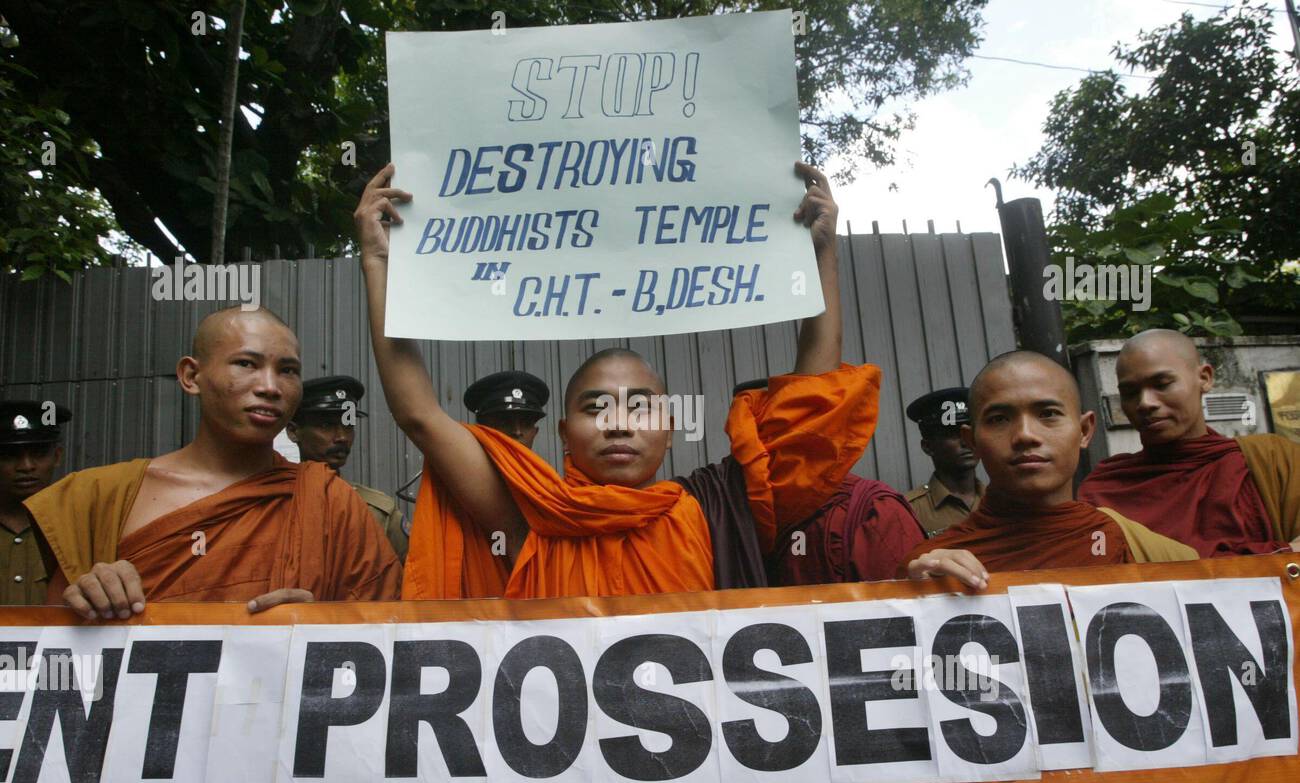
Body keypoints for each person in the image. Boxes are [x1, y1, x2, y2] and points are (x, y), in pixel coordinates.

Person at [355, 161, 880, 600]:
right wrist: (377, 261)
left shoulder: (718, 509)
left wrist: (821, 255)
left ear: (670, 428)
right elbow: (421, 416)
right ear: (563, 432)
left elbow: (811, 404)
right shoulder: (535, 513)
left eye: (640, 407)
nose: (618, 425)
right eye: (595, 407)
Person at [24, 306, 402, 619]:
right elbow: (54, 651)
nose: (270, 386)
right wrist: (90, 596)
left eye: (288, 370)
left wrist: (325, 625)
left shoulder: (330, 500)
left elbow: (384, 634)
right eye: (246, 363)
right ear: (191, 376)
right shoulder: (102, 496)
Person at [901, 350, 1196, 589]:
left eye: (1048, 414)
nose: (1025, 435)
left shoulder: (1150, 552)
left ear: (1084, 430)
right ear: (972, 442)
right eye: (999, 419)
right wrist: (918, 596)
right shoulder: (934, 565)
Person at [1078, 328, 1300, 556]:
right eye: (1130, 392)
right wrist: (1281, 551)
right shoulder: (1105, 488)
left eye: (1162, 384)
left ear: (1204, 378)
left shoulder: (1272, 462)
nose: (1145, 403)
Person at [725, 379, 923, 584]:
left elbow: (905, 608)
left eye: (779, 429)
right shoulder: (722, 517)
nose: (761, 446)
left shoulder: (872, 511)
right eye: (748, 432)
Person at [287, 374, 408, 561]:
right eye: (327, 425)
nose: (342, 437)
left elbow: (413, 577)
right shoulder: (274, 504)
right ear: (294, 431)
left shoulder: (378, 511)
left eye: (348, 425)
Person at [0, 401, 70, 605]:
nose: (26, 466)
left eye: (39, 453)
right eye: (9, 456)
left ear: (56, 457)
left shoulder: (77, 528)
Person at [903, 387, 984, 537]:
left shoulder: (1003, 502)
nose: (966, 441)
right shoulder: (909, 511)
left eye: (970, 432)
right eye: (953, 434)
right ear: (928, 447)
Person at [463, 370, 549, 450]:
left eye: (526, 424)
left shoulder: (541, 466)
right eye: (504, 422)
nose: (517, 432)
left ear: (535, 432)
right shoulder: (466, 465)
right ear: (484, 428)